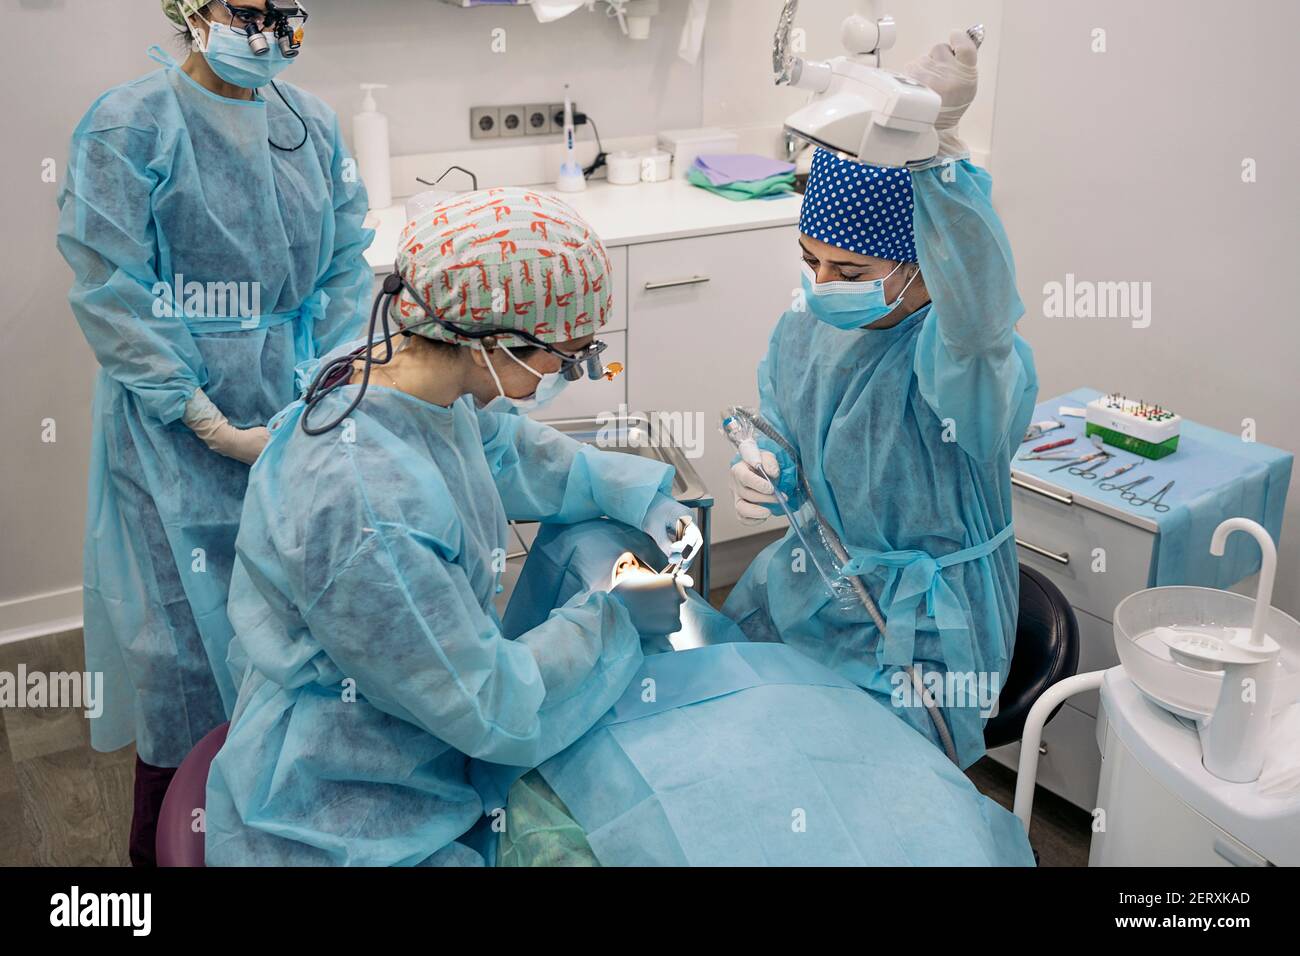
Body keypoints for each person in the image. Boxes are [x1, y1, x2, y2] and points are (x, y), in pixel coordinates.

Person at [204, 188, 698, 866]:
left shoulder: (398, 373)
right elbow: (489, 703)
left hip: (408, 732)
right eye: (568, 354)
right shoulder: (369, 511)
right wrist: (612, 618)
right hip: (351, 807)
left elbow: (505, 452)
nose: (572, 372)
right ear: (496, 343)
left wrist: (633, 491)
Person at [55, 0, 373, 865]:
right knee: (184, 656)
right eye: (249, 10)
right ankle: (162, 856)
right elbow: (109, 288)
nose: (270, 32)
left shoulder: (311, 126)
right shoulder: (130, 125)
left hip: (295, 410)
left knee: (290, 638)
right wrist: (195, 410)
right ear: (192, 10)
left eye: (290, 12)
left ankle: (270, 836)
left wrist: (321, 388)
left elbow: (346, 270)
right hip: (169, 436)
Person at [722, 30, 1039, 769]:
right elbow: (784, 414)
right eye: (811, 261)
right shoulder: (812, 325)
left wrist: (940, 159)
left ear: (930, 268)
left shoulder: (968, 367)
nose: (823, 284)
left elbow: (981, 314)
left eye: (850, 268)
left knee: (881, 800)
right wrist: (765, 458)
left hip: (929, 631)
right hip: (811, 593)